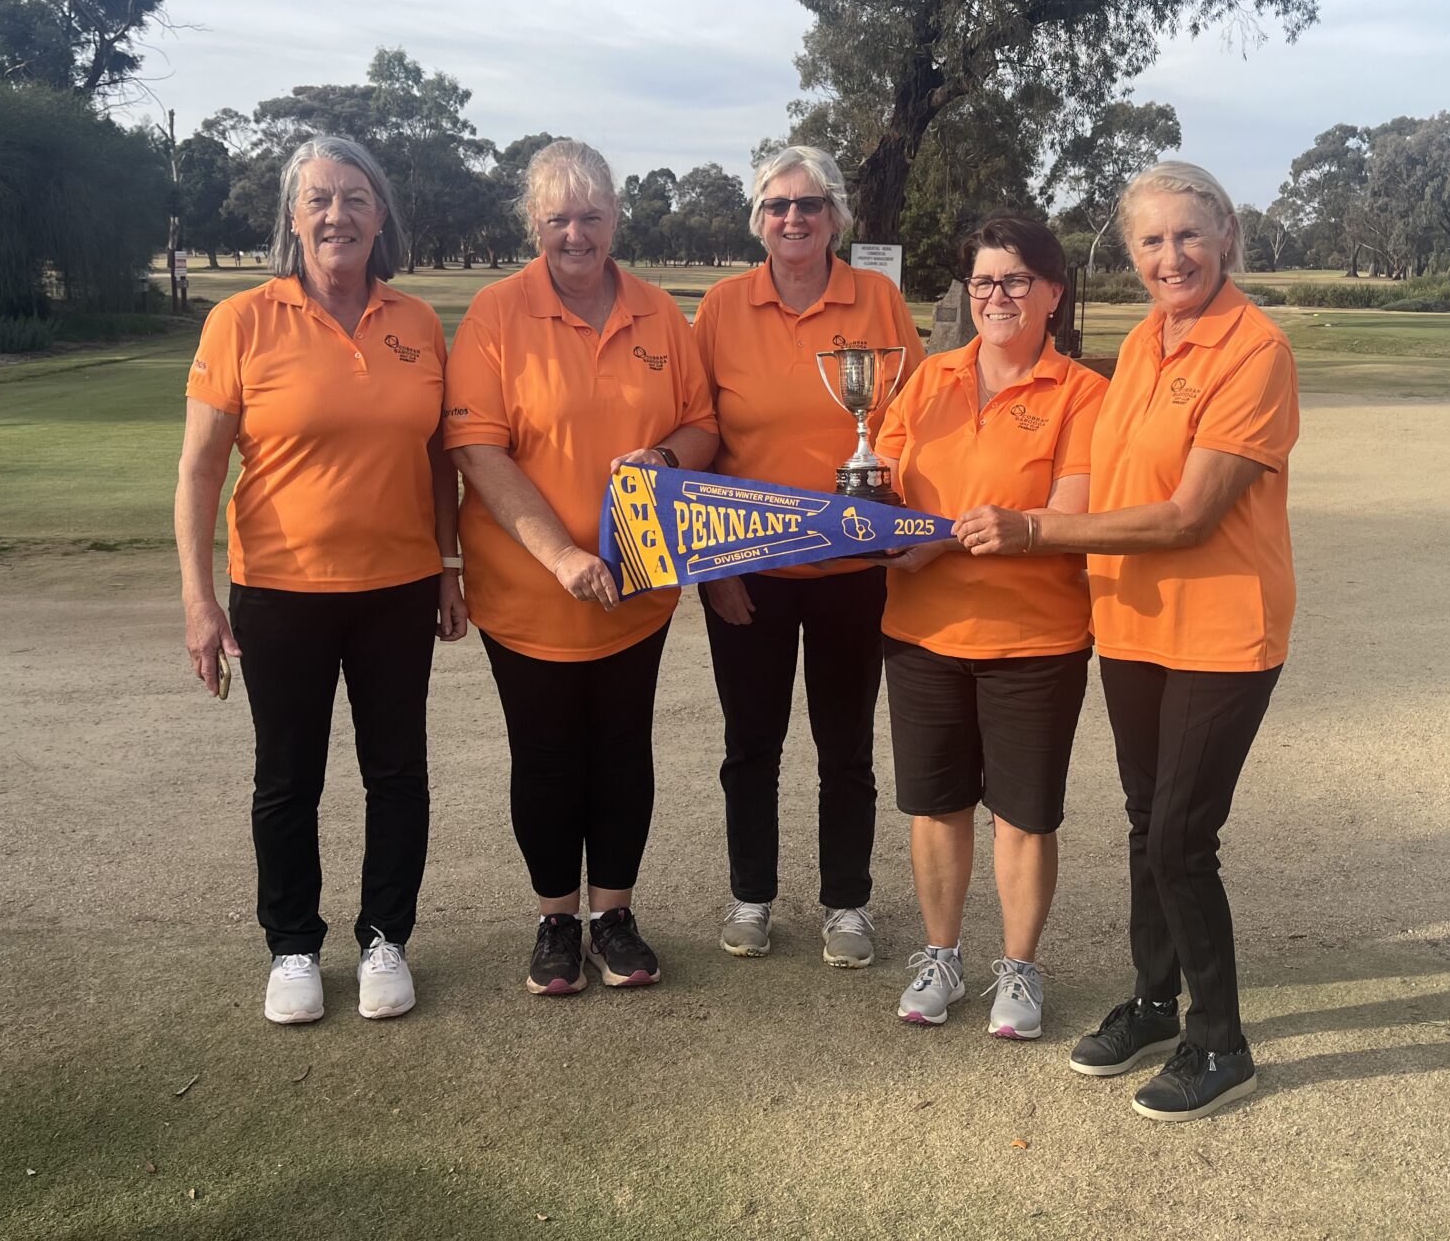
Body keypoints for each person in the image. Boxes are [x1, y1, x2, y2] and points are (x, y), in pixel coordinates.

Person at [957, 161, 1299, 1120]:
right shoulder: (1146, 342)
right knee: (1149, 823)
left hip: (1222, 629)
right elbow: (1110, 476)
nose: (1170, 256)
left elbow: (1189, 514)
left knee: (1185, 839)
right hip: (1136, 624)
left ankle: (1220, 1043)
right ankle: (1155, 1000)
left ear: (1226, 234)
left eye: (1188, 235)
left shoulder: (1254, 350)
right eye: (1150, 241)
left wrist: (1036, 530)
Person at [174, 135, 468, 1026]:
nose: (337, 215)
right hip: (279, 590)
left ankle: (387, 938)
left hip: (399, 587)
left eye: (355, 199)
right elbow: (198, 472)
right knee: (287, 777)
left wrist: (451, 566)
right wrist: (197, 597)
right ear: (293, 219)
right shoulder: (242, 321)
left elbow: (437, 461)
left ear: (381, 218)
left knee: (397, 773)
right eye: (318, 201)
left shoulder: (417, 324)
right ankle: (293, 945)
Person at [443, 139, 718, 996]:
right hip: (529, 592)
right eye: (557, 218)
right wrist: (560, 554)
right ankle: (556, 919)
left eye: (591, 217)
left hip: (637, 588)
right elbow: (477, 449)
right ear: (533, 222)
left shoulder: (659, 313)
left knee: (623, 753)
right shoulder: (496, 314)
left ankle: (615, 915)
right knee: (548, 756)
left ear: (615, 220)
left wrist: (669, 456)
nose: (575, 234)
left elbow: (702, 425)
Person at [870, 213, 1107, 1039]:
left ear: (1052, 293)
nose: (996, 297)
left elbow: (1071, 513)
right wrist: (889, 539)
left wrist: (1010, 528)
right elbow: (883, 492)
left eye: (1014, 281)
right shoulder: (927, 380)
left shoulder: (1083, 393)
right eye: (982, 282)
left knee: (1024, 815)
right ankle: (940, 956)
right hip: (923, 634)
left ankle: (1019, 967)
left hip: (1034, 643)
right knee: (934, 808)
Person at [692, 145, 925, 969]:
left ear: (836, 216)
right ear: (759, 218)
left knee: (846, 746)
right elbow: (701, 436)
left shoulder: (877, 300)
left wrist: (898, 522)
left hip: (853, 572)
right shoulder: (721, 306)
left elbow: (905, 421)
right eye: (778, 205)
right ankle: (751, 894)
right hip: (747, 568)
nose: (794, 218)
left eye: (810, 204)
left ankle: (847, 902)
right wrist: (712, 568)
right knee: (750, 743)